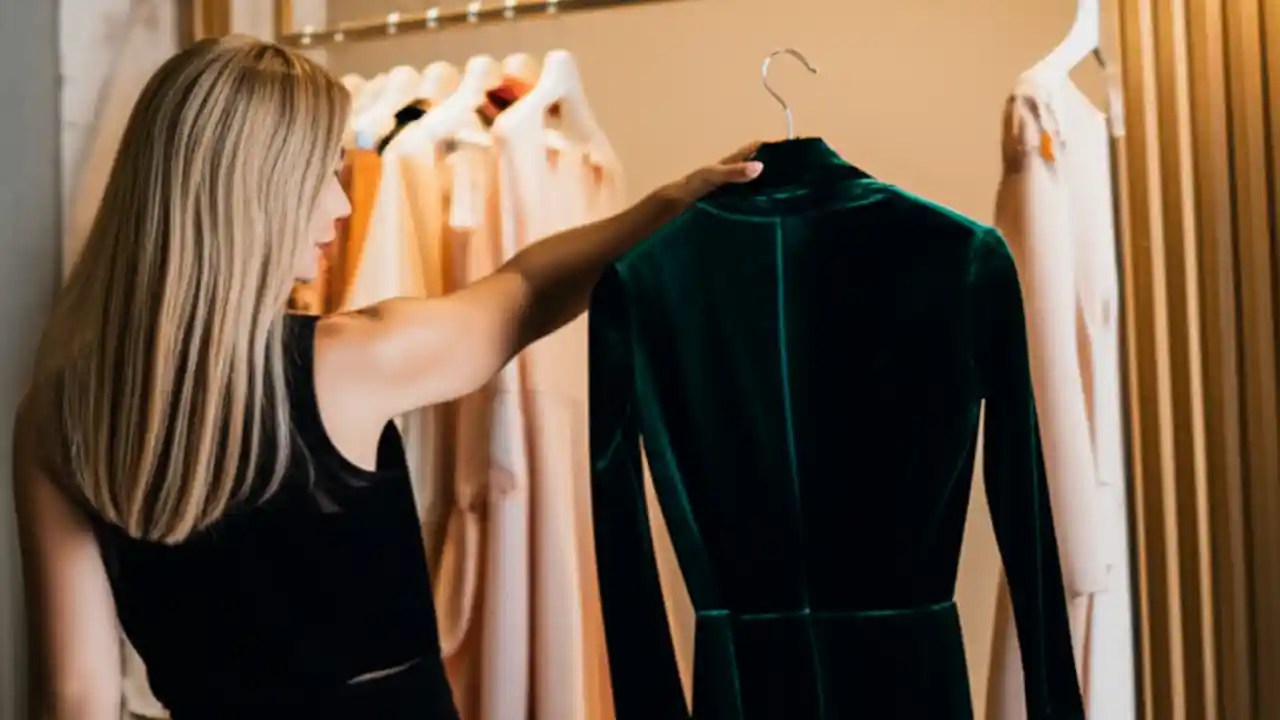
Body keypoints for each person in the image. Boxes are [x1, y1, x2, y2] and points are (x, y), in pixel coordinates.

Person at [12, 35, 763, 720]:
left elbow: (74, 694)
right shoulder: (349, 362)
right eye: (320, 178)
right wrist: (667, 204)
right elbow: (528, 291)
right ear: (251, 195)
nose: (340, 207)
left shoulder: (59, 414)